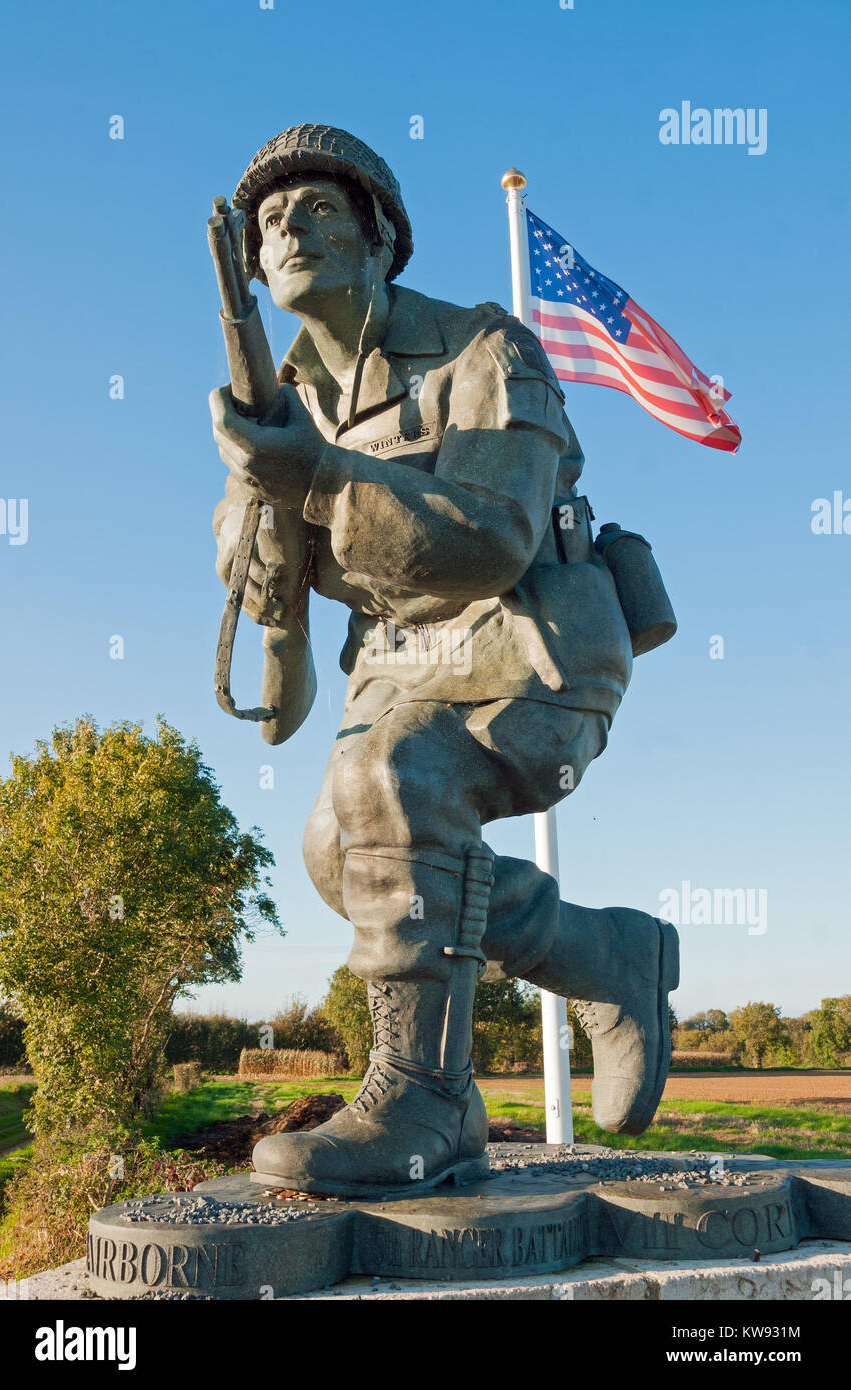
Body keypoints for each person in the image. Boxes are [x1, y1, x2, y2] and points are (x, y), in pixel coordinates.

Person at [210, 125, 679, 1197]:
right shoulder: (275, 412)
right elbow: (280, 703)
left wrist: (319, 479)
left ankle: (426, 1092)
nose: (288, 227)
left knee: (393, 781)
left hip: (533, 645)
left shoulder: (483, 349)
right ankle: (600, 953)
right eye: (271, 221)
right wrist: (268, 540)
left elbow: (490, 540)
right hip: (398, 672)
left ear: (380, 239)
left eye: (320, 208)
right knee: (343, 853)